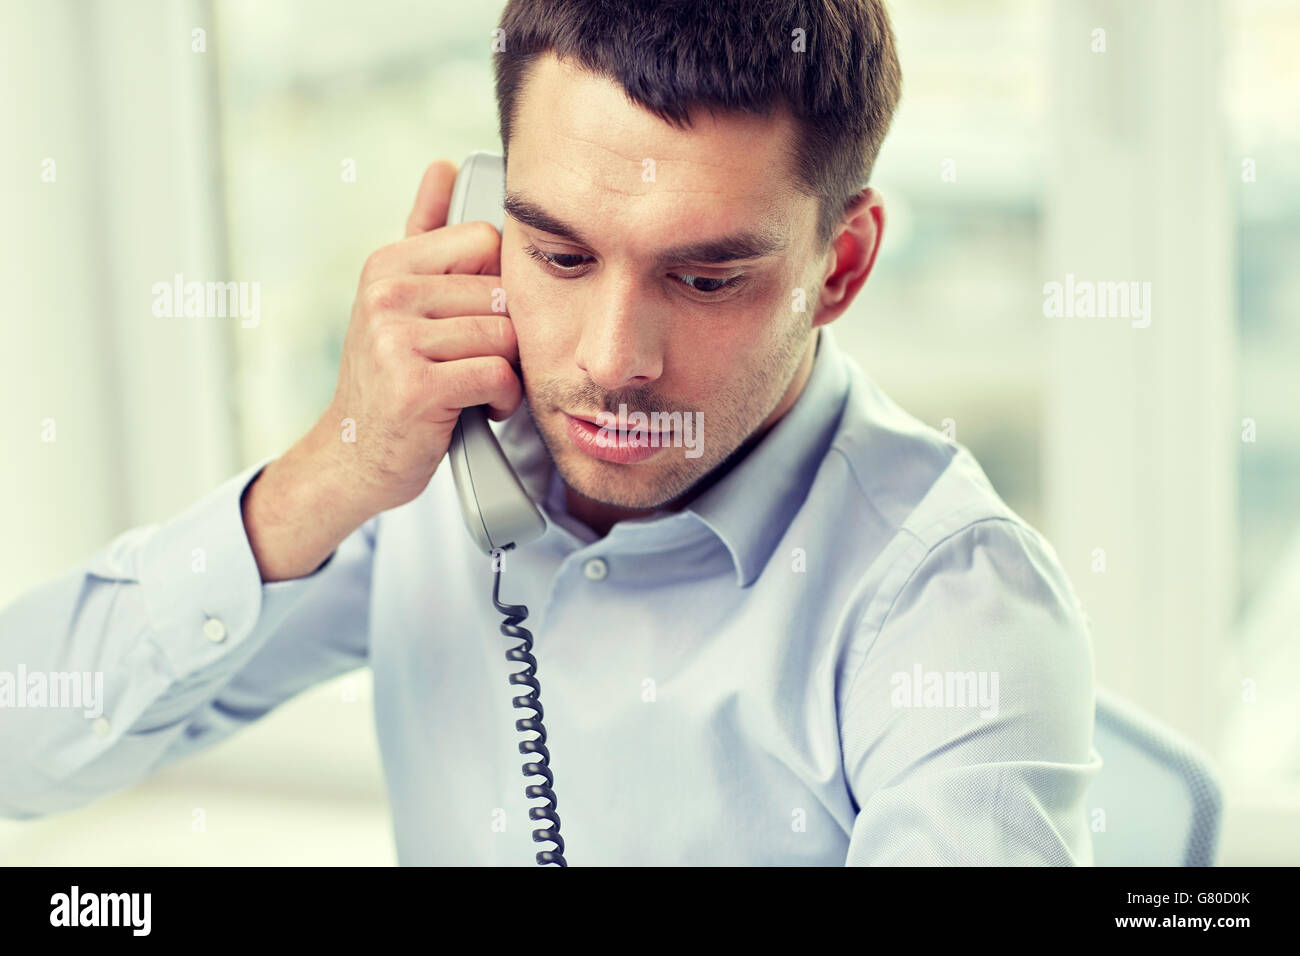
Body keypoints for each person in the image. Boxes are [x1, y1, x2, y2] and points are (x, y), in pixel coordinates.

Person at [0, 0, 1100, 865]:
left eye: (707, 275)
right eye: (560, 257)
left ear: (842, 265)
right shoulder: (437, 469)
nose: (611, 358)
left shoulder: (952, 603)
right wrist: (328, 470)